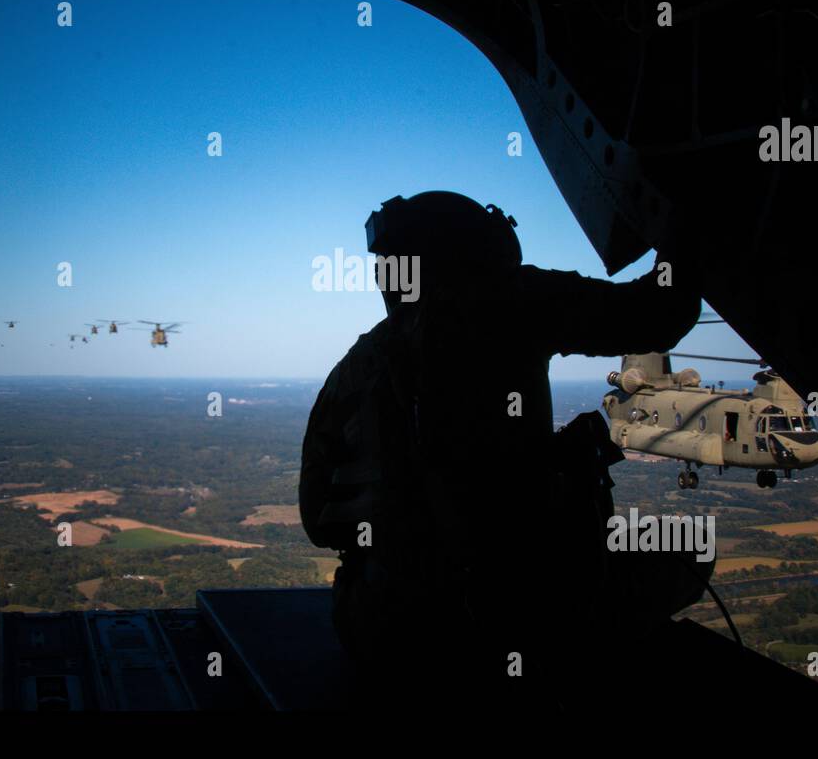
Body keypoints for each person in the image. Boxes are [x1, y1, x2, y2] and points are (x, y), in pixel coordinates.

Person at [300, 191, 711, 707]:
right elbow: (660, 312)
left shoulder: (353, 367)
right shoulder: (511, 299)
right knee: (691, 547)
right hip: (507, 626)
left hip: (379, 634)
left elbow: (318, 521)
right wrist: (688, 212)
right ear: (484, 248)